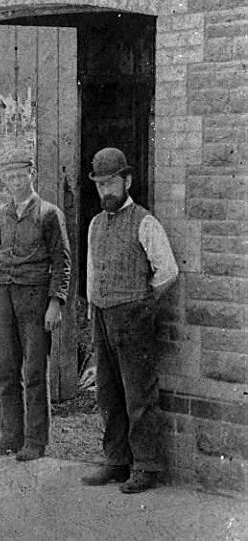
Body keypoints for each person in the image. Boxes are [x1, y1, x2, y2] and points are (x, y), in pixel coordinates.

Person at [81, 147, 178, 494]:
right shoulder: (95, 224)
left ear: (127, 180)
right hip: (103, 316)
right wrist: (95, 307)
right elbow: (92, 271)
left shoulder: (145, 222)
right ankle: (116, 461)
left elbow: (168, 271)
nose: (105, 190)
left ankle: (146, 467)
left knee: (139, 395)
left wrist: (142, 300)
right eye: (99, 184)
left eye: (111, 183)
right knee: (107, 392)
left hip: (133, 317)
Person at [0, 147, 71, 462]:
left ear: (33, 175)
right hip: (5, 296)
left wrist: (55, 303)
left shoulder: (48, 214)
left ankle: (35, 441)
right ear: (4, 180)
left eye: (21, 175)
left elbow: (62, 262)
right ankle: (10, 435)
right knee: (6, 370)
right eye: (10, 176)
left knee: (33, 371)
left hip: (34, 298)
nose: (16, 181)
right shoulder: (2, 215)